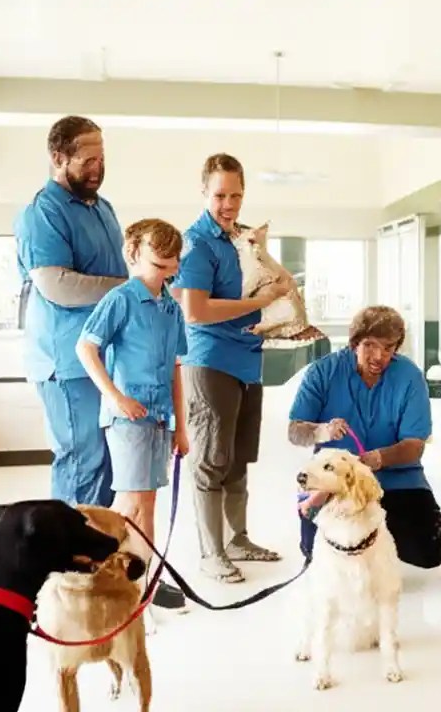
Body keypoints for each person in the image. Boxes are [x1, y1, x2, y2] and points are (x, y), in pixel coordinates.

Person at [171, 153, 291, 584]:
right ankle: (211, 552)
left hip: (248, 361)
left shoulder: (242, 239)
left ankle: (238, 539)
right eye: (220, 195)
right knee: (211, 461)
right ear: (204, 192)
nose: (228, 204)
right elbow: (195, 309)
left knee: (238, 460)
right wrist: (260, 302)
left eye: (236, 195)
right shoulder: (197, 244)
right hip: (211, 361)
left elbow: (278, 283)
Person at [76, 218, 190, 610]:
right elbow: (85, 350)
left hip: (159, 420)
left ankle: (144, 584)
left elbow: (177, 368)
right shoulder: (120, 299)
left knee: (145, 506)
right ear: (135, 254)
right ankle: (97, 576)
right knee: (128, 506)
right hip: (127, 419)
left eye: (171, 266)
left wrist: (181, 426)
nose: (164, 274)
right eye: (157, 265)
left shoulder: (172, 309)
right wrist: (117, 397)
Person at [15, 115, 127, 508]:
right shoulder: (43, 212)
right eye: (87, 161)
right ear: (58, 158)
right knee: (82, 459)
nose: (97, 169)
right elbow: (58, 286)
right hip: (65, 360)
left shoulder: (102, 208)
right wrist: (130, 288)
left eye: (102, 159)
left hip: (103, 358)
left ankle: (97, 559)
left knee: (111, 461)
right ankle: (68, 562)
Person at [287, 306, 441, 569]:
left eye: (389, 347)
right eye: (370, 346)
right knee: (314, 555)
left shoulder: (409, 377)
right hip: (334, 485)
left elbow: (414, 446)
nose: (379, 356)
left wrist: (377, 459)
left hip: (396, 481)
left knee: (429, 553)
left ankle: (375, 540)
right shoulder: (322, 373)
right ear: (354, 343)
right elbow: (295, 431)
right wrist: (322, 430)